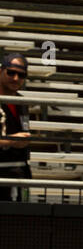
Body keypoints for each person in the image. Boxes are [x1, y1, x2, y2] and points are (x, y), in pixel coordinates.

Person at [0, 51, 32, 202]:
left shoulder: (22, 102)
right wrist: (11, 141)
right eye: (11, 73)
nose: (15, 78)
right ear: (1, 71)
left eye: (21, 75)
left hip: (19, 173)